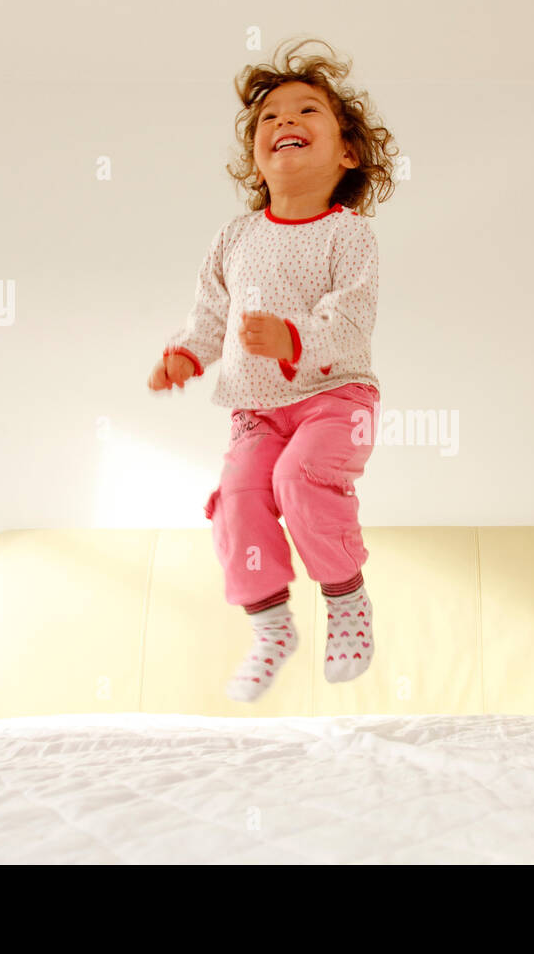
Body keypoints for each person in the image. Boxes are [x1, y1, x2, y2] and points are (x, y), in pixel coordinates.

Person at [147, 38, 398, 701]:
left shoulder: (350, 234)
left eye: (306, 111)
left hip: (336, 398)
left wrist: (289, 335)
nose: (284, 121)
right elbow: (208, 316)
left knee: (300, 478)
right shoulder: (234, 237)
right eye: (269, 118)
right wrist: (185, 354)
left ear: (346, 152)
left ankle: (345, 599)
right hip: (255, 411)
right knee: (237, 502)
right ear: (256, 160)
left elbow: (350, 321)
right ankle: (271, 626)